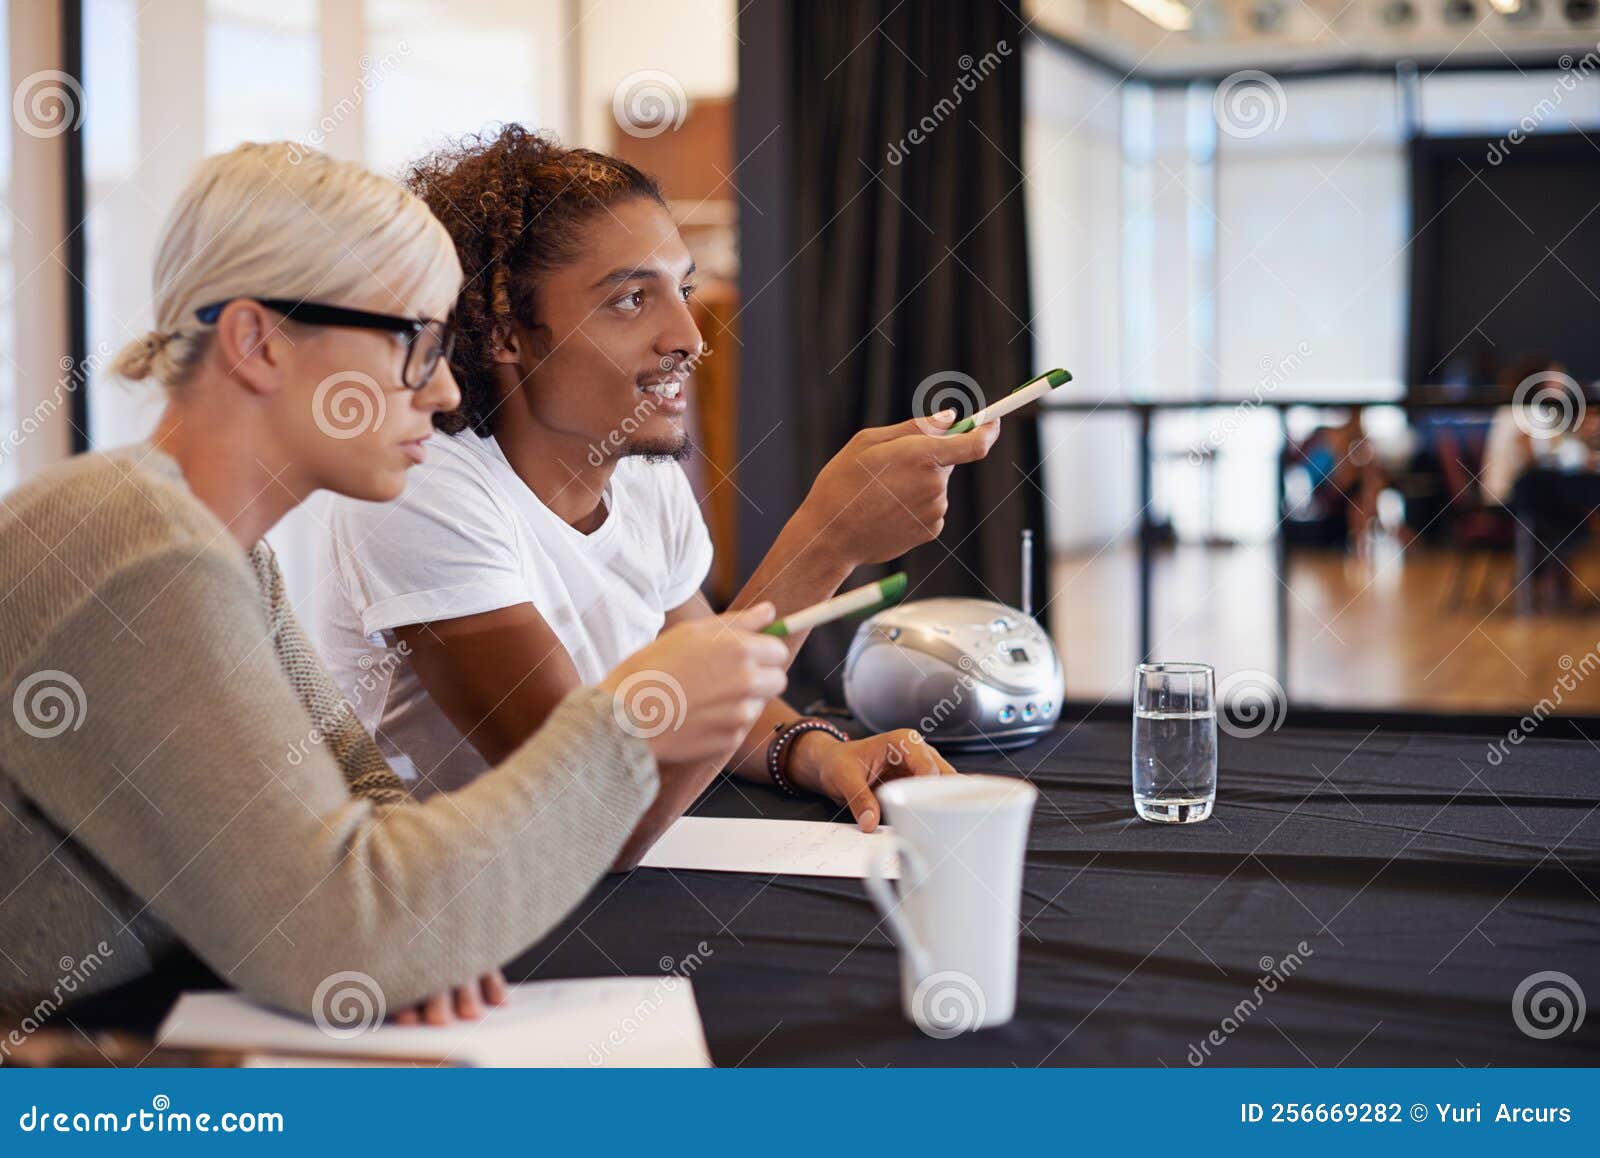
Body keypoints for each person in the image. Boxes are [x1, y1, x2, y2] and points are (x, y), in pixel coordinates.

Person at [0, 143, 787, 1032]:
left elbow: (359, 803)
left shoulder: (228, 556)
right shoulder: (133, 548)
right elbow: (345, 940)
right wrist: (632, 721)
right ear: (258, 342)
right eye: (413, 341)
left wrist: (415, 934)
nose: (446, 386)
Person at [317, 127, 995, 867]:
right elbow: (587, 823)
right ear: (504, 331)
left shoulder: (642, 476)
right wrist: (823, 544)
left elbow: (704, 703)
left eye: (685, 290)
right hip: (448, 907)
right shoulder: (422, 491)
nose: (689, 338)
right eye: (632, 299)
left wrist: (816, 751)